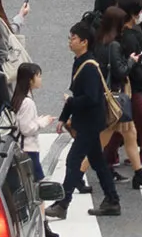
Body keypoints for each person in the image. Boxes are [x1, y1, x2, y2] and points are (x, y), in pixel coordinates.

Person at [46, 18, 122, 220]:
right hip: (88, 121)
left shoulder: (88, 66)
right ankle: (112, 200)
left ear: (84, 42)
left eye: (73, 38)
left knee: (73, 160)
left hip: (89, 122)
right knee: (97, 161)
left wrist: (70, 103)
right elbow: (76, 97)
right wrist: (64, 117)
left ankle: (63, 203)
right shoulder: (80, 62)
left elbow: (90, 98)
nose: (70, 41)